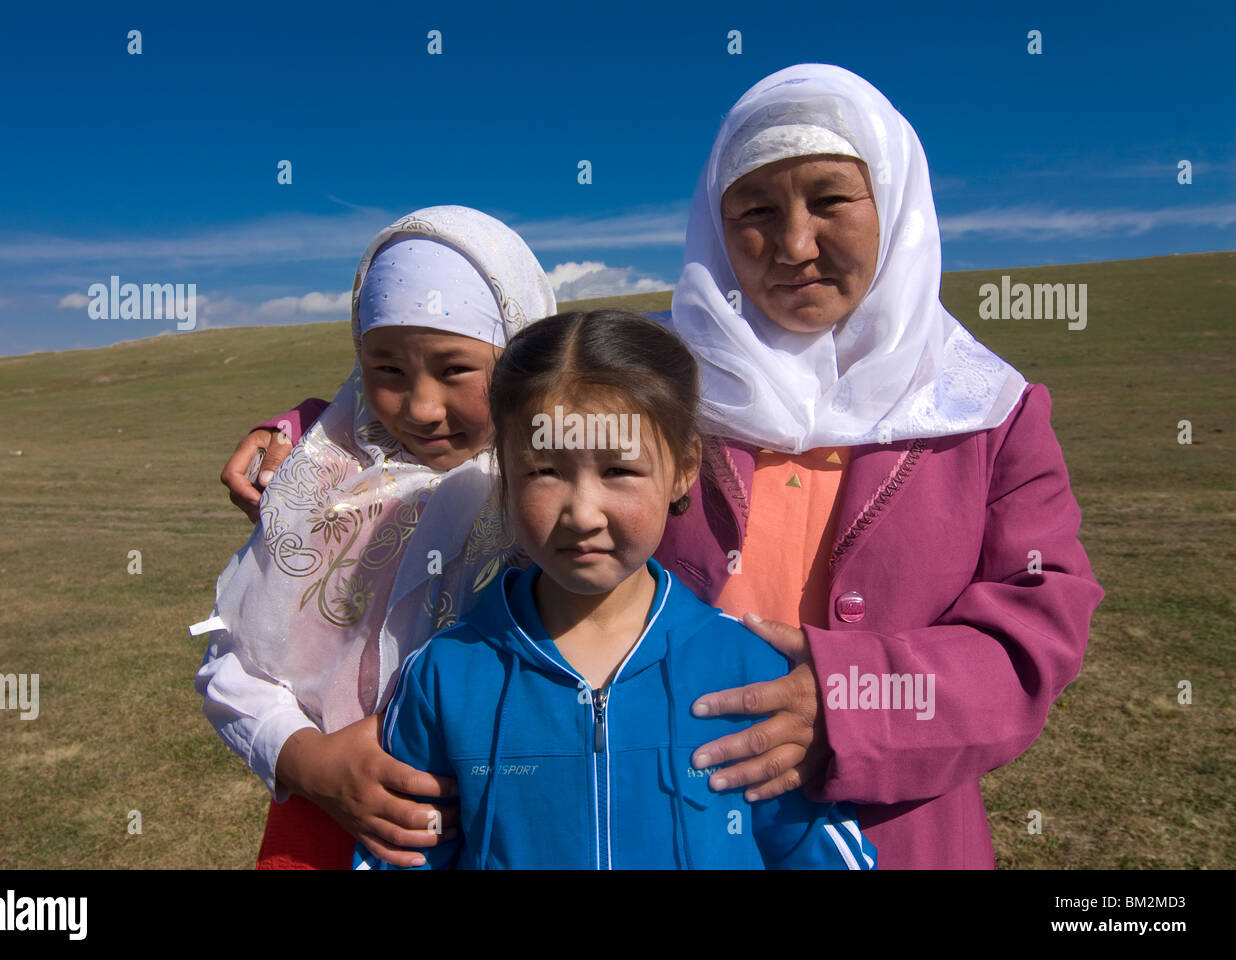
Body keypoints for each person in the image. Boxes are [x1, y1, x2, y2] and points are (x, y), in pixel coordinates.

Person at [223, 64, 1103, 868]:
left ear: (897, 201)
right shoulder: (653, 375)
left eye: (832, 200)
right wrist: (307, 430)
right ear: (714, 222)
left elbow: (1037, 633)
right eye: (754, 210)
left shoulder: (988, 411)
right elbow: (494, 371)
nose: (794, 242)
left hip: (903, 831)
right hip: (640, 810)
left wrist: (850, 703)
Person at [357, 309, 876, 869]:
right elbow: (401, 858)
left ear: (681, 469)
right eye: (544, 472)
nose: (582, 513)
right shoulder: (444, 676)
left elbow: (815, 855)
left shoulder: (749, 673)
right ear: (505, 471)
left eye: (618, 472)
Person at [194, 205, 556, 869]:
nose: (420, 407)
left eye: (455, 369)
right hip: (319, 832)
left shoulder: (550, 497)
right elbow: (235, 662)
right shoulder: (328, 483)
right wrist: (311, 761)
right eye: (387, 371)